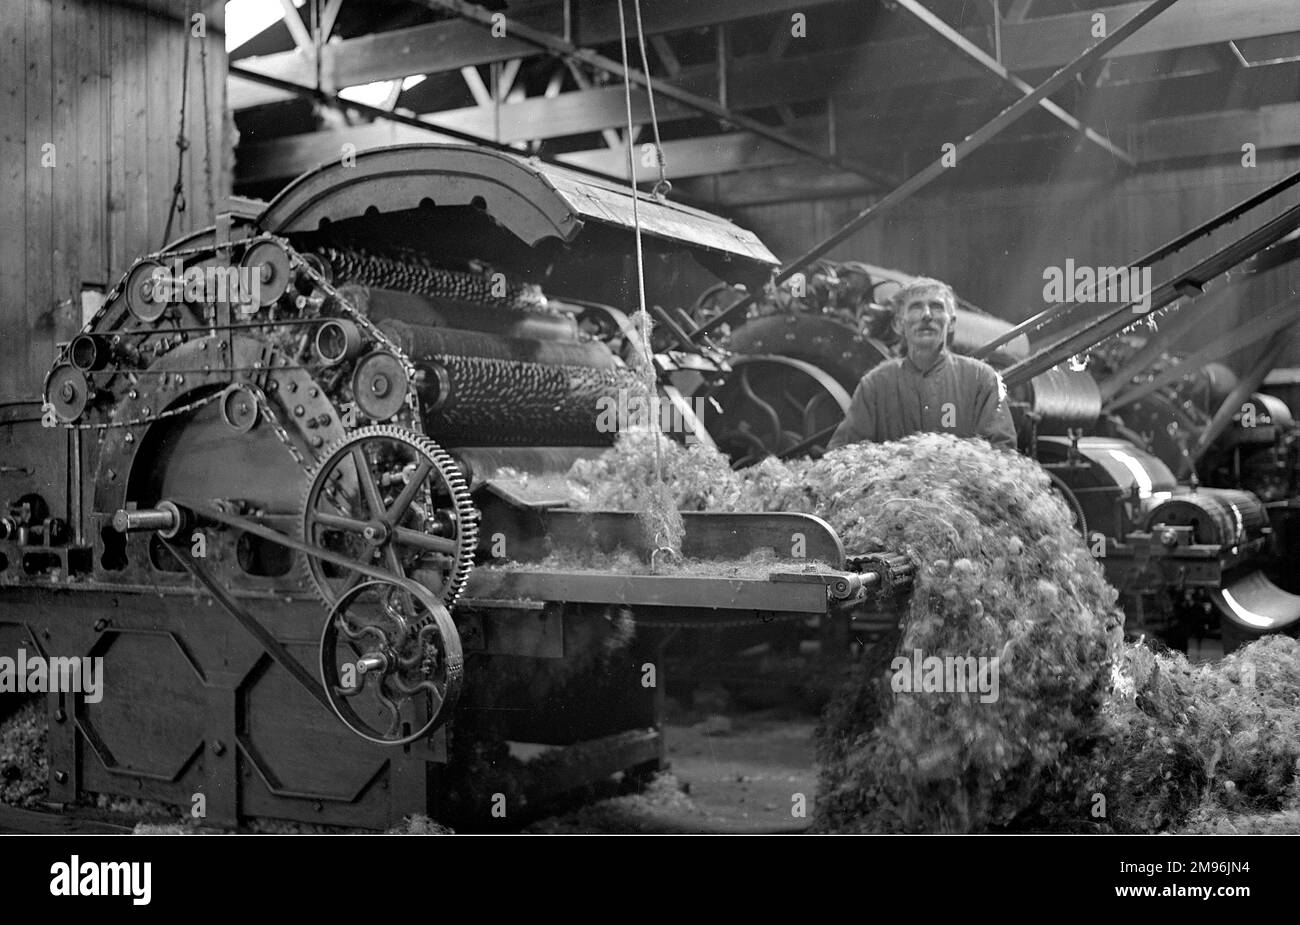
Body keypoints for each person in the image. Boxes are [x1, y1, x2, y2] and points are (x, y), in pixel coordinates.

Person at [827, 277, 1016, 451]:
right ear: (899, 325)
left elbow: (1003, 450)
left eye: (936, 307)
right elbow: (842, 453)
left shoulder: (981, 379)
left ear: (951, 323)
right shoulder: (875, 385)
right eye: (916, 307)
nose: (926, 315)